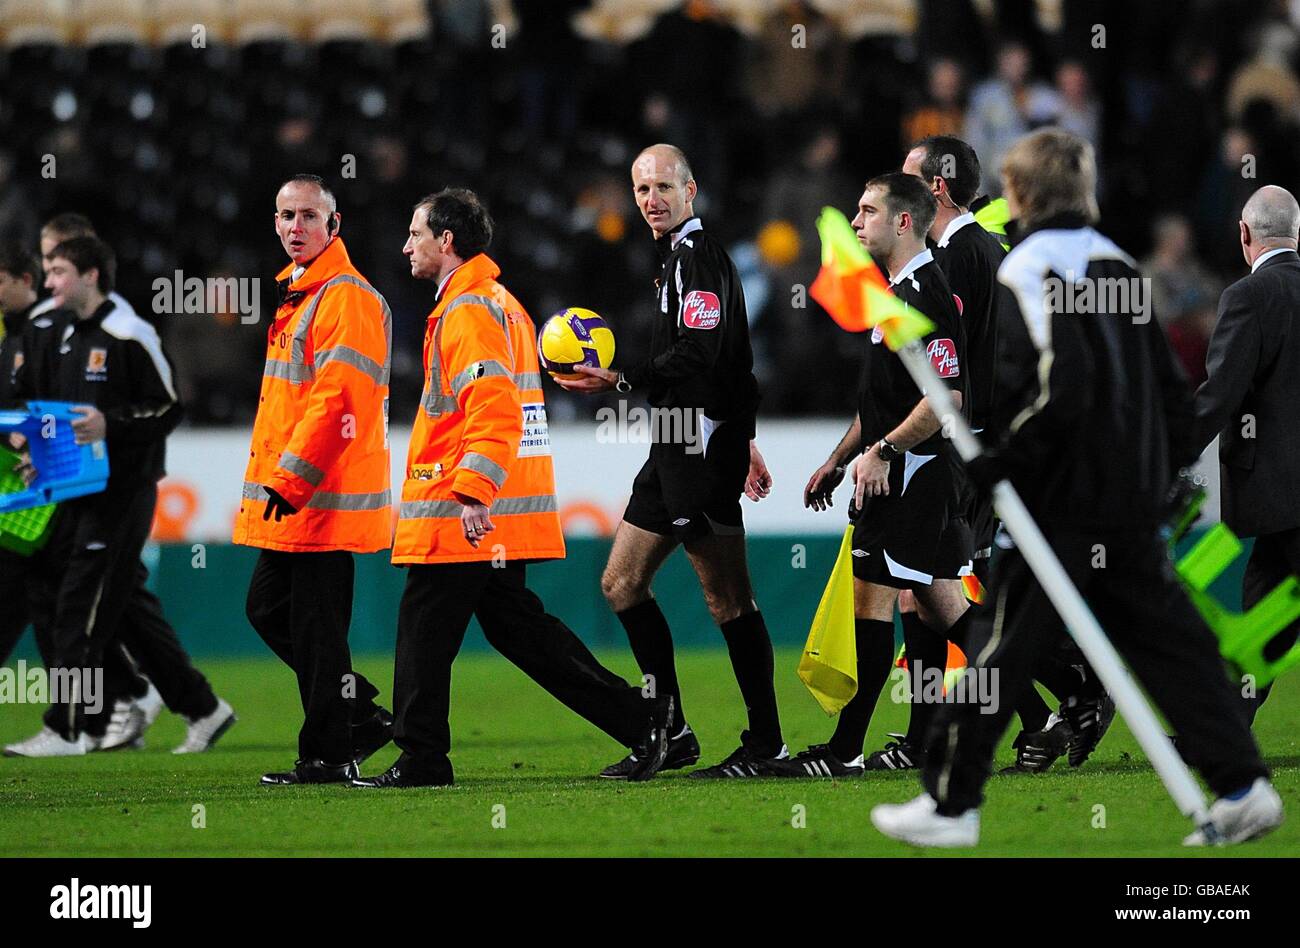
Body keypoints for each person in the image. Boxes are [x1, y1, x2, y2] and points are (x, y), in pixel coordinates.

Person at [871, 129, 1281, 848]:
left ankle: (950, 802)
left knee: (999, 645)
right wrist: (1166, 471)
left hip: (1063, 501)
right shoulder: (1117, 261)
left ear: (1022, 191)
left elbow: (1065, 389)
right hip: (1128, 499)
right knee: (1170, 645)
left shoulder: (1027, 267)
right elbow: (1169, 391)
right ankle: (1244, 786)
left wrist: (1002, 463)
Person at [352, 188, 671, 788]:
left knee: (424, 624)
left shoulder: (469, 307)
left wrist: (473, 491)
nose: (406, 245)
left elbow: (493, 408)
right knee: (521, 631)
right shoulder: (496, 302)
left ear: (446, 242)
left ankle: (422, 756)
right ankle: (646, 722)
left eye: (416, 234)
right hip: (499, 506)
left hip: (464, 506)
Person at [555, 144, 787, 779]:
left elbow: (701, 352)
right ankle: (671, 729)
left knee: (729, 601)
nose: (651, 199)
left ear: (692, 190)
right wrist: (744, 435)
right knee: (621, 584)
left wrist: (620, 379)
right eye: (641, 190)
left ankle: (767, 743)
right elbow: (724, 364)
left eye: (663, 186)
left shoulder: (698, 259)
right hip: (677, 445)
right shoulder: (676, 261)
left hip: (698, 454)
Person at [904, 135, 1101, 773]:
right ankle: (1043, 707)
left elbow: (963, 367)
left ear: (936, 187)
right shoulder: (972, 251)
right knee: (934, 588)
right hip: (976, 445)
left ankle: (1070, 693)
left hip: (972, 448)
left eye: (907, 177)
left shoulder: (962, 256)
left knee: (942, 589)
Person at [3, 236, 234, 757]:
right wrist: (38, 453)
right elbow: (59, 418)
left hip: (122, 495)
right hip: (73, 490)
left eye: (59, 270)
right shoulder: (61, 334)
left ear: (90, 275)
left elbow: (169, 407)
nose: (50, 281)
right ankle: (192, 705)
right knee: (88, 609)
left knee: (79, 615)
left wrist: (114, 424)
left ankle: (71, 728)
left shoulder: (127, 333)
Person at [775, 172, 972, 779]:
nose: (857, 223)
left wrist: (883, 452)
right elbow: (882, 403)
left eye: (867, 212)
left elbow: (947, 399)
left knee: (876, 600)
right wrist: (839, 459)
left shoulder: (926, 296)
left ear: (904, 221)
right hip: (902, 469)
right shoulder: (895, 295)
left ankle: (846, 749)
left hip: (912, 475)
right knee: (937, 603)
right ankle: (1036, 698)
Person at [236, 175, 394, 786]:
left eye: (307, 216)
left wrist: (292, 477)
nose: (294, 227)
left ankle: (328, 754)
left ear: (334, 225)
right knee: (272, 610)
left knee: (313, 627)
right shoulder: (305, 294)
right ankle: (355, 717)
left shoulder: (344, 296)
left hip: (322, 495)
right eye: (284, 215)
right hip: (300, 495)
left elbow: (337, 400)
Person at [1192, 184, 1300, 727]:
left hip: (1278, 491)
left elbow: (1219, 394)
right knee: (1265, 616)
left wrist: (1164, 453)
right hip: (1285, 505)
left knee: (1266, 614)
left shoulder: (1248, 296)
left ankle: (1217, 730)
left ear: (1245, 234)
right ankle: (1220, 729)